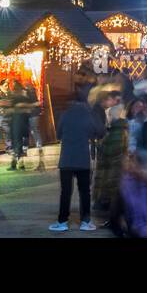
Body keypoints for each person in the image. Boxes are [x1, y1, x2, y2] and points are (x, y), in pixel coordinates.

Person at [50, 94, 106, 233]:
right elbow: (100, 132)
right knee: (85, 191)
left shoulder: (65, 115)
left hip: (66, 160)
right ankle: (85, 222)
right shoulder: (90, 115)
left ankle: (62, 221)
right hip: (83, 160)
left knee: (65, 192)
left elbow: (58, 135)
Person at [93, 98, 128, 212]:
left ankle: (106, 203)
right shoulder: (115, 129)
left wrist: (100, 146)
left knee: (111, 189)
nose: (108, 118)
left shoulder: (117, 130)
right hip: (109, 170)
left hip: (111, 170)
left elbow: (112, 150)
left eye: (110, 116)